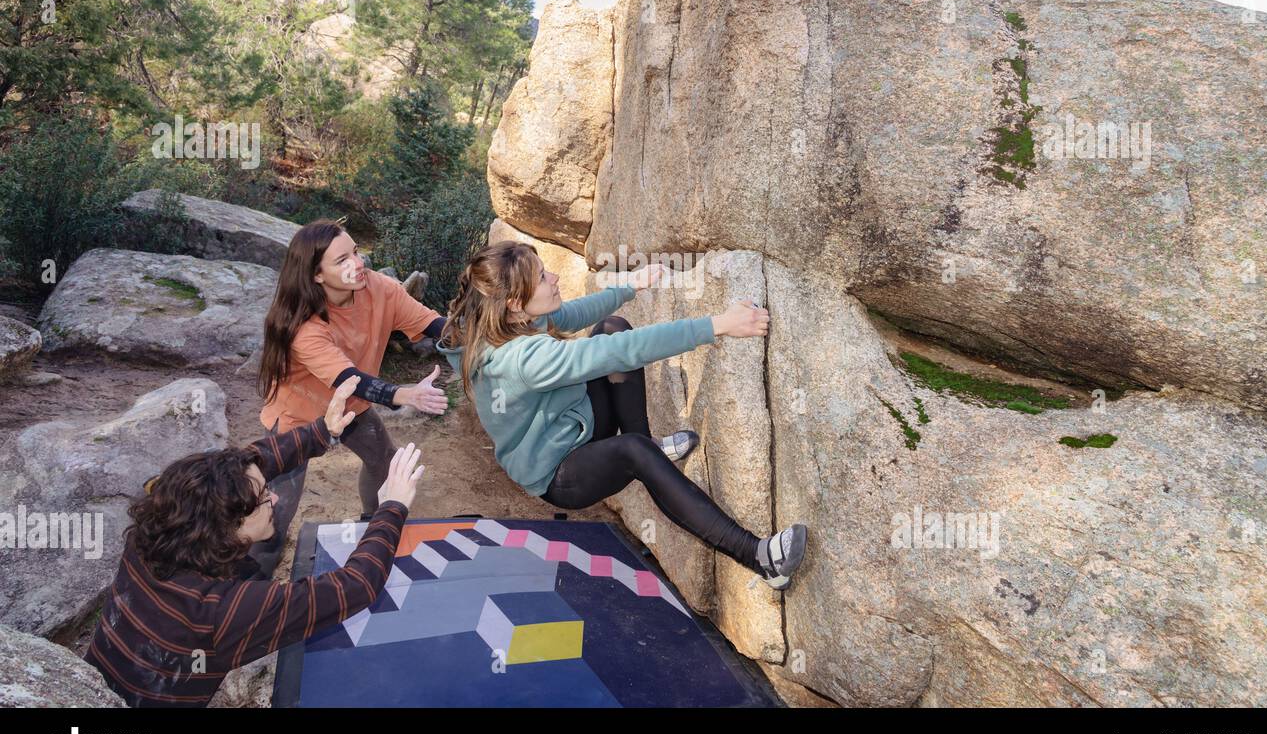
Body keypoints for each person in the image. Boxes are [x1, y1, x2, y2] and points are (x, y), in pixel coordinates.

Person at [435, 241, 807, 589]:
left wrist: (629, 286)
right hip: (558, 473)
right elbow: (625, 352)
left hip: (571, 427)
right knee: (633, 450)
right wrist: (718, 325)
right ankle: (760, 558)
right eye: (544, 276)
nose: (554, 278)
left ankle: (648, 446)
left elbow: (570, 314)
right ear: (516, 302)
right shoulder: (522, 360)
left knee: (612, 327)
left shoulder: (500, 319)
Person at [84, 377, 427, 707]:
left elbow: (251, 464)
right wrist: (391, 508)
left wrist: (321, 431)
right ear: (229, 528)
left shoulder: (153, 532)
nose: (275, 500)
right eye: (265, 499)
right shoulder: (224, 612)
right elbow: (355, 586)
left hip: (93, 685)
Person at [254, 218, 448, 577]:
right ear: (316, 274)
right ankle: (250, 584)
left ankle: (373, 528)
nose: (357, 264)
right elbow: (350, 380)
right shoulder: (303, 326)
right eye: (342, 260)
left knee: (384, 462)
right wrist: (405, 395)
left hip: (352, 410)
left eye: (356, 253)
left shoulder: (379, 289)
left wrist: (478, 335)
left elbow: (434, 326)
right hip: (299, 420)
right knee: (273, 511)